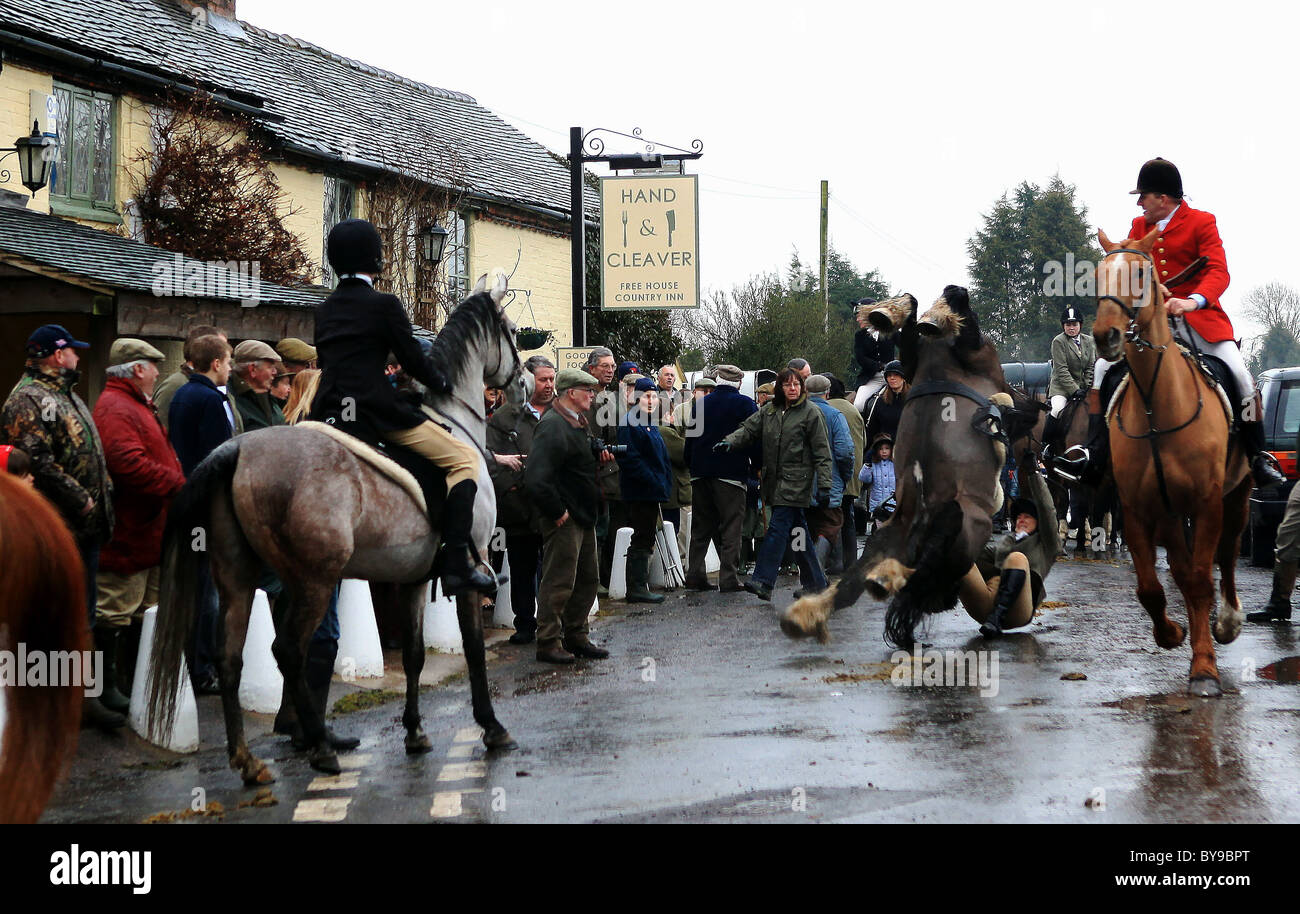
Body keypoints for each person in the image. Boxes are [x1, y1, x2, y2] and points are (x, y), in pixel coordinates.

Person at [1057, 157, 1286, 489]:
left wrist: (1191, 301)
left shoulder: (1202, 222)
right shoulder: (1138, 227)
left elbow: (1218, 271)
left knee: (1243, 378)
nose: (1139, 203)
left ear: (1163, 198)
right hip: (1150, 324)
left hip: (1200, 321)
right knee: (1104, 370)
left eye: (1143, 195)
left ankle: (1257, 455)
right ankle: (1095, 453)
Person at [309, 218, 494, 597]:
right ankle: (457, 561)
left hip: (328, 410)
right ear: (373, 258)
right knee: (463, 460)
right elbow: (411, 359)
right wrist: (442, 382)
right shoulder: (383, 304)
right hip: (377, 411)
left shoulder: (324, 308)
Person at [1, 323, 123, 730]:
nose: (77, 356)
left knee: (83, 612)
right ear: (57, 355)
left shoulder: (62, 393)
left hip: (84, 526)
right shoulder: (28, 400)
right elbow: (35, 461)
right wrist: (82, 498)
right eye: (72, 350)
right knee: (62, 616)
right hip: (59, 525)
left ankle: (90, 695)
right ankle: (67, 703)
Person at [91, 339, 186, 714]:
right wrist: (177, 484)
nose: (158, 372)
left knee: (138, 610)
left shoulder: (132, 403)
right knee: (113, 609)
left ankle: (130, 684)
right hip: (129, 531)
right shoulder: (117, 408)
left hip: (146, 529)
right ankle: (105, 689)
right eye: (152, 365)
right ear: (135, 369)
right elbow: (126, 462)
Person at [717, 368, 832, 601]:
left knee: (778, 529)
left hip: (796, 484)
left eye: (797, 385)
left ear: (802, 388)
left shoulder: (811, 413)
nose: (792, 388)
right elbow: (749, 429)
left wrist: (825, 485)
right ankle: (816, 582)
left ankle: (763, 580)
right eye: (788, 385)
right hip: (773, 482)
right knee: (798, 532)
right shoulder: (769, 411)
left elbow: (822, 452)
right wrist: (730, 442)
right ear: (779, 387)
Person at [525, 367, 608, 664]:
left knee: (587, 579)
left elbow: (573, 464)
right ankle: (548, 641)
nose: (592, 395)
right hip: (565, 517)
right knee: (559, 581)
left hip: (583, 514)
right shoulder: (552, 425)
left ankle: (576, 636)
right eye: (588, 390)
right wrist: (557, 511)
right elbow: (535, 477)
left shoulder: (576, 422)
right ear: (571, 393)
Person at [168, 333, 235, 694]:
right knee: (206, 592)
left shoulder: (182, 393)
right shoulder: (211, 400)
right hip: (205, 507)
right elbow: (219, 457)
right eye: (228, 361)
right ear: (215, 364)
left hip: (186, 500)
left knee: (194, 587)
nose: (230, 368)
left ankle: (194, 663)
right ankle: (202, 668)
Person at [486, 355, 555, 644]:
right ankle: (525, 623)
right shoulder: (504, 417)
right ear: (528, 381)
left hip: (554, 507)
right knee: (522, 569)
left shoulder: (562, 413)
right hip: (519, 510)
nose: (549, 385)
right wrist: (512, 492)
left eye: (552, 379)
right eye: (543, 379)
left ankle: (553, 623)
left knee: (553, 569)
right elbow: (491, 462)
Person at [960, 450, 1060, 637]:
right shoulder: (1005, 543)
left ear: (1038, 522)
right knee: (960, 557)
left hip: (1018, 610)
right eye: (1018, 517)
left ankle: (996, 619)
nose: (1021, 519)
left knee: (1017, 558)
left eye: (1027, 516)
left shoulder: (1046, 544)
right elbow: (975, 552)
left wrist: (1034, 474)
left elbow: (1047, 510)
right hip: (984, 605)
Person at [683, 364, 757, 592]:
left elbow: (691, 439)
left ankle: (694, 574)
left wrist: (692, 465)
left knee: (701, 527)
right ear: (737, 383)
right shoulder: (745, 404)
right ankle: (728, 578)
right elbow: (753, 436)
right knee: (731, 526)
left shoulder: (701, 404)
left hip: (700, 473)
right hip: (731, 473)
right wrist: (757, 467)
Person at [616, 377, 673, 604]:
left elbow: (659, 457)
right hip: (640, 490)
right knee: (641, 536)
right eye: (646, 396)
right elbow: (631, 459)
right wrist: (652, 481)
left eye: (653, 396)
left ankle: (640, 584)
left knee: (646, 534)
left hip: (652, 488)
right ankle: (636, 587)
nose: (650, 400)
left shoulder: (647, 421)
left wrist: (663, 480)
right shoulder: (630, 422)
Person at [804, 374, 855, 576]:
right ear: (827, 393)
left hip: (801, 484)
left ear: (806, 392)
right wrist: (845, 476)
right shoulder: (835, 415)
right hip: (830, 481)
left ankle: (810, 573)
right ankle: (815, 572)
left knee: (807, 528)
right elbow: (844, 452)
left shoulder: (797, 415)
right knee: (830, 526)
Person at [154, 324, 244, 435]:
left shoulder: (220, 387)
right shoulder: (176, 386)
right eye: (221, 345)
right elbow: (160, 432)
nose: (227, 351)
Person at [583, 347, 622, 591]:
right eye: (605, 366)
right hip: (594, 471)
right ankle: (594, 581)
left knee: (608, 528)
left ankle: (606, 577)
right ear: (592, 368)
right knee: (597, 528)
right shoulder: (587, 397)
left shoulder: (610, 397)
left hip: (611, 471)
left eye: (612, 367)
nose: (610, 371)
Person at [1041, 306, 1096, 460]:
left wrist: (1086, 387)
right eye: (1068, 325)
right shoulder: (1058, 341)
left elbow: (1091, 366)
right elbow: (1061, 369)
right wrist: (1074, 390)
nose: (1071, 328)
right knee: (1058, 409)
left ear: (1080, 325)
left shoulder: (1089, 341)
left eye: (1074, 324)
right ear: (1063, 326)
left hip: (1083, 388)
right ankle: (1047, 445)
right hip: (1061, 388)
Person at [825, 374, 866, 570]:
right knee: (847, 518)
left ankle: (835, 562)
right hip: (854, 474)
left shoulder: (826, 409)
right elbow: (863, 442)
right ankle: (851, 562)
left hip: (836, 474)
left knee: (833, 519)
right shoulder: (853, 409)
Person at [231, 340, 286, 432]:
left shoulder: (271, 398)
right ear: (252, 369)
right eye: (270, 367)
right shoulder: (230, 399)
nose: (275, 372)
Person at [852, 299, 896, 410]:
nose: (857, 319)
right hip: (873, 378)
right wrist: (879, 366)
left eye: (859, 316)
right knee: (858, 405)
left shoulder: (890, 331)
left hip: (894, 375)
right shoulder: (859, 336)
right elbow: (860, 358)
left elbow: (905, 346)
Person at [864, 360, 909, 445]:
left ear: (903, 377)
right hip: (885, 450)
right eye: (889, 375)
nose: (892, 378)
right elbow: (872, 430)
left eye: (896, 375)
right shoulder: (880, 401)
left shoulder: (912, 401)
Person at [860, 434, 897, 532]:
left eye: (887, 448)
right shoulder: (874, 464)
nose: (884, 451)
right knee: (880, 530)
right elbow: (864, 478)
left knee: (891, 530)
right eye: (881, 449)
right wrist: (867, 464)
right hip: (878, 505)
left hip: (892, 503)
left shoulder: (895, 464)